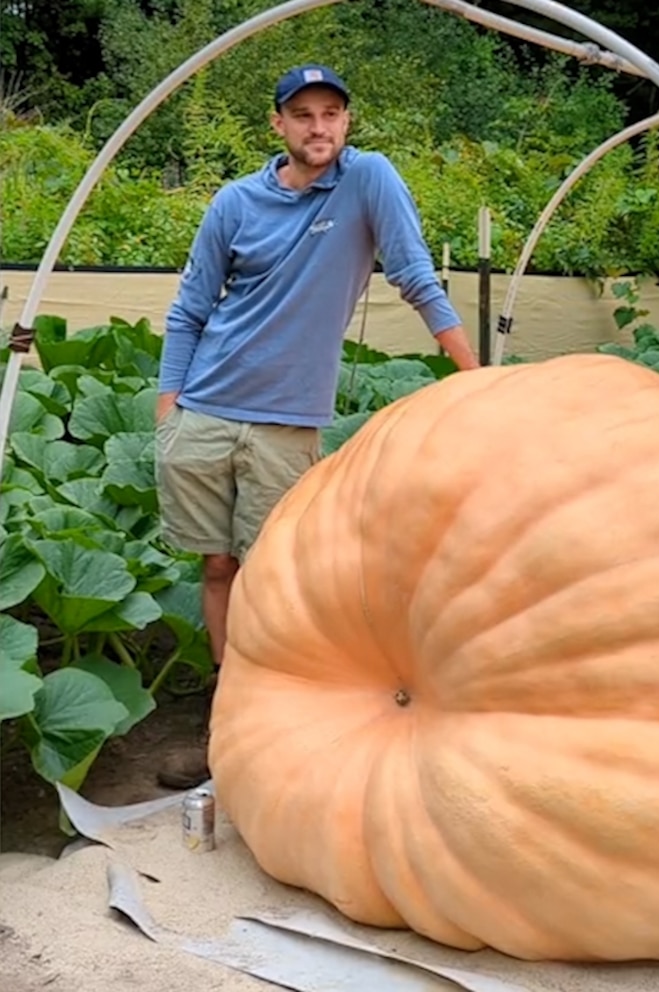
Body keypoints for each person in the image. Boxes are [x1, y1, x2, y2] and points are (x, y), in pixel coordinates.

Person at [154, 64, 480, 789]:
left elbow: (415, 275)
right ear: (277, 125)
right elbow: (190, 308)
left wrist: (476, 375)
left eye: (331, 113)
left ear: (347, 122)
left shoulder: (369, 182)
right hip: (206, 408)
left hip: (285, 424)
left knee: (274, 579)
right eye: (302, 114)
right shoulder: (234, 203)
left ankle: (275, 721)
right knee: (216, 568)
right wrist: (168, 408)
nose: (318, 127)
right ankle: (226, 714)